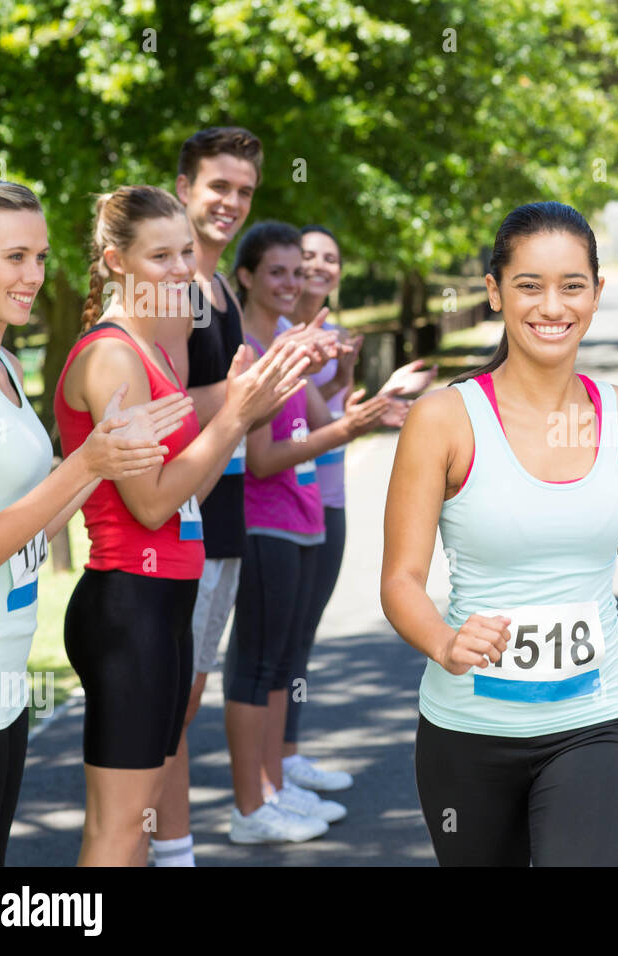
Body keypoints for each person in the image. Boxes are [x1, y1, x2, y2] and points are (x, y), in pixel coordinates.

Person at [381, 201, 618, 866]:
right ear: (493, 292)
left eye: (572, 285)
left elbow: (614, 506)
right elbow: (399, 580)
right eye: (528, 285)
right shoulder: (445, 420)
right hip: (469, 730)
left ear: (596, 292)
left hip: (596, 721)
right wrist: (445, 643)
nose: (551, 306)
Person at [55, 185, 308, 866]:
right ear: (114, 261)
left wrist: (242, 405)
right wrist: (235, 416)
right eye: (160, 256)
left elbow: (188, 477)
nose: (180, 270)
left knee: (131, 826)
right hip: (127, 604)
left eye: (186, 254)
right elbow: (152, 504)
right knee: (117, 831)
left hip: (165, 599)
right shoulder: (111, 355)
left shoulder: (155, 348)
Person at [0, 178, 192, 866]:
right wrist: (87, 462)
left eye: (41, 257)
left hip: (4, 672)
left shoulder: (1, 366)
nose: (33, 276)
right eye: (15, 257)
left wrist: (104, 461)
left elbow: (32, 523)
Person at [153, 127, 340, 865]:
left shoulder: (221, 291)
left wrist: (288, 369)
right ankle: (168, 848)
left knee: (186, 700)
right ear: (183, 189)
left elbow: (243, 415)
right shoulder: (166, 287)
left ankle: (174, 844)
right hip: (175, 515)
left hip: (223, 519)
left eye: (244, 191)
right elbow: (150, 401)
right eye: (218, 187)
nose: (231, 202)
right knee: (167, 707)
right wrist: (247, 389)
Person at [224, 221, 403, 843]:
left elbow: (322, 416)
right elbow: (266, 455)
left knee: (279, 662)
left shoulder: (286, 342)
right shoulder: (246, 348)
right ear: (245, 276)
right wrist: (350, 430)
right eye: (277, 271)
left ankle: (275, 785)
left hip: (300, 518)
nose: (290, 283)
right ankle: (253, 804)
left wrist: (360, 402)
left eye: (295, 273)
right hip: (265, 521)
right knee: (258, 664)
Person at [278, 224, 434, 793]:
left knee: (302, 631)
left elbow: (336, 415)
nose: (320, 267)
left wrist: (357, 380)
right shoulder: (279, 331)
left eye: (331, 259)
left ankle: (287, 756)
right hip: (284, 497)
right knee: (278, 638)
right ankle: (273, 767)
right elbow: (317, 422)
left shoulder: (337, 332)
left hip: (329, 493)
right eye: (308, 257)